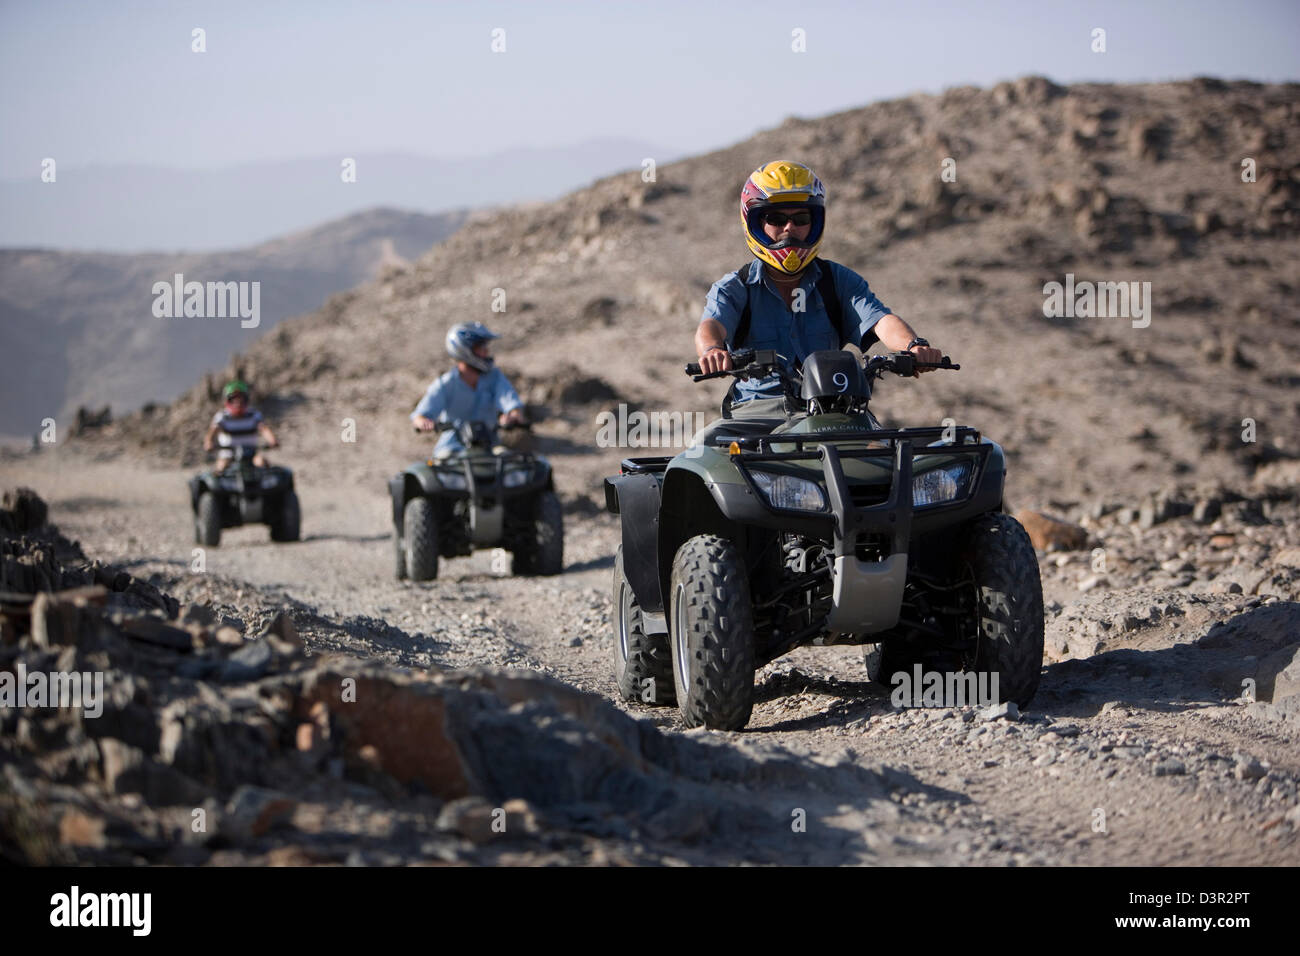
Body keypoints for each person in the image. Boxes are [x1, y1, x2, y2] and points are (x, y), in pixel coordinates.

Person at [692, 159, 944, 444]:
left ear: (815, 223)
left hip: (835, 414)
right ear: (755, 222)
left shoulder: (837, 281)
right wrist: (712, 351)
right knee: (705, 447)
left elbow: (881, 320)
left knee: (896, 463)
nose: (789, 227)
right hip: (757, 416)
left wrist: (914, 346)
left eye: (801, 219)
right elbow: (711, 326)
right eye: (776, 219)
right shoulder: (736, 287)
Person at [411, 322, 527, 457]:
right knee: (442, 469)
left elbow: (511, 403)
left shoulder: (495, 378)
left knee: (512, 466)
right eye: (480, 347)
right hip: (453, 449)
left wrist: (512, 416)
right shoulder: (446, 384)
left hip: (489, 448)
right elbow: (419, 417)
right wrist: (424, 422)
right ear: (464, 350)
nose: (486, 351)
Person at [203, 380, 278, 471]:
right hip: (228, 454)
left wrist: (272, 440)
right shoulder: (222, 417)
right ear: (228, 401)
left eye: (241, 400)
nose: (238, 403)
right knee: (220, 468)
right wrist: (209, 443)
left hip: (251, 454)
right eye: (234, 400)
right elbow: (212, 432)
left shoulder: (253, 415)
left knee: (262, 463)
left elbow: (264, 429)